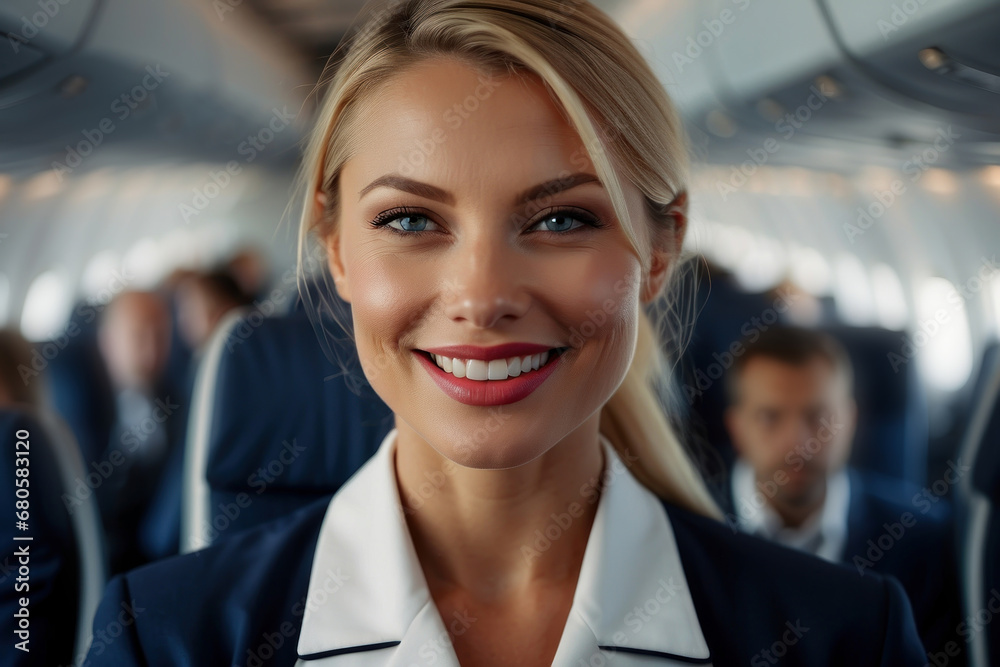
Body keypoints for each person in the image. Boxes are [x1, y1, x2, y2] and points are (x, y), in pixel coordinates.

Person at [83, 1, 926, 664]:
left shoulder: (846, 637)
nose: (482, 297)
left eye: (562, 219)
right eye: (411, 220)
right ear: (335, 249)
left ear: (661, 248)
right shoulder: (166, 637)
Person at [723, 325, 964, 663]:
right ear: (736, 427)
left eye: (818, 417)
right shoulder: (689, 528)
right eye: (770, 417)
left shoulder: (923, 539)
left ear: (849, 421)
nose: (798, 443)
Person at [96, 290, 185, 572]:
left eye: (160, 337)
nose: (151, 351)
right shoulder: (84, 410)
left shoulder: (178, 400)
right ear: (108, 342)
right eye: (138, 337)